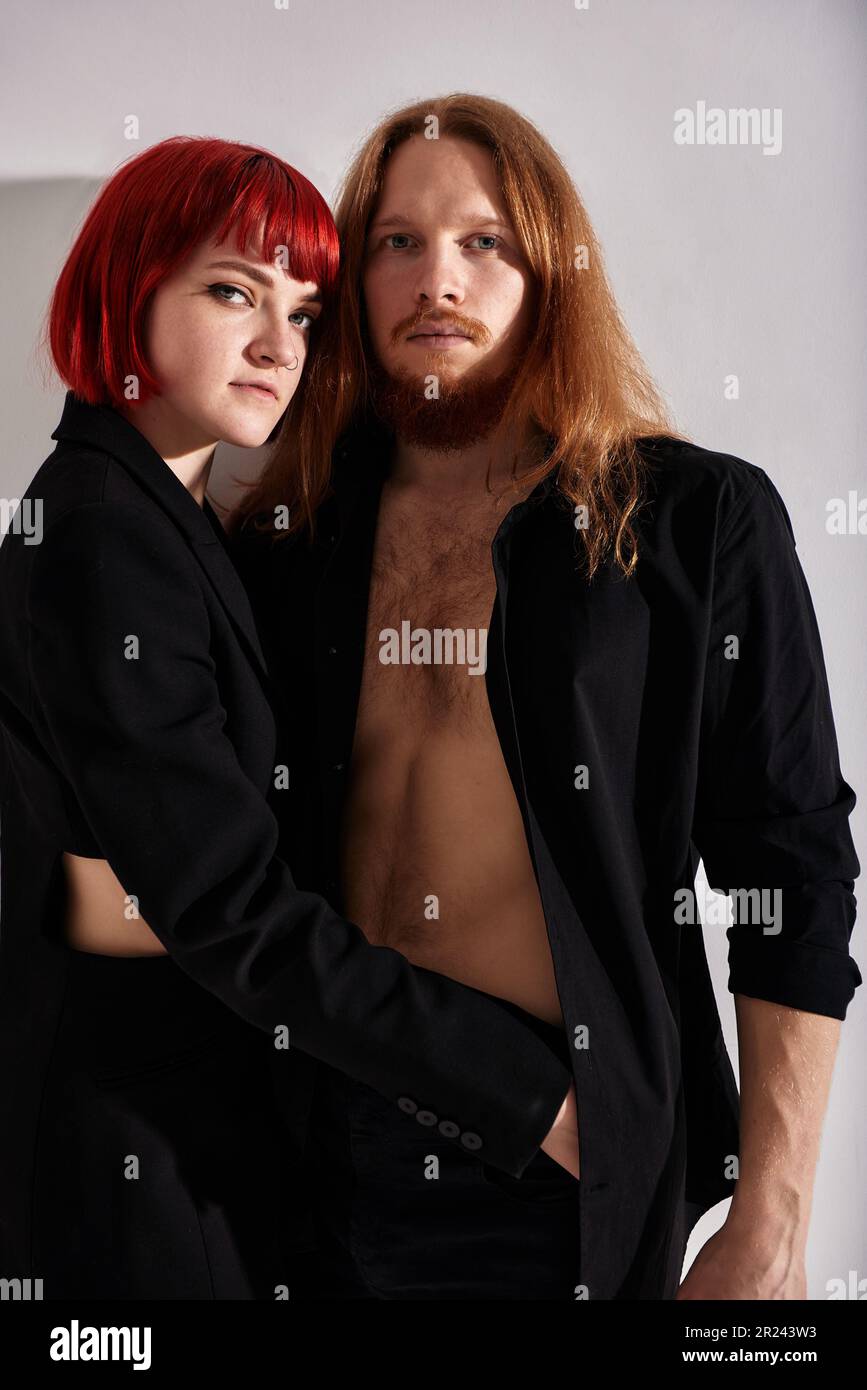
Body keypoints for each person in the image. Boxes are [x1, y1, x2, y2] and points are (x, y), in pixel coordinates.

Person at [231, 93, 862, 1300]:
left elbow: (793, 871)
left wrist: (773, 1217)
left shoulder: (692, 522)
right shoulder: (290, 532)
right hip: (300, 1129)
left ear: (552, 270)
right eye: (397, 242)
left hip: (551, 1148)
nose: (438, 279)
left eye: (485, 242)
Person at [0, 134, 581, 1301]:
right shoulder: (105, 533)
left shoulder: (169, 514)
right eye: (234, 292)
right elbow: (230, 911)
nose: (281, 345)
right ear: (127, 288)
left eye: (309, 313)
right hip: (139, 1156)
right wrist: (528, 1093)